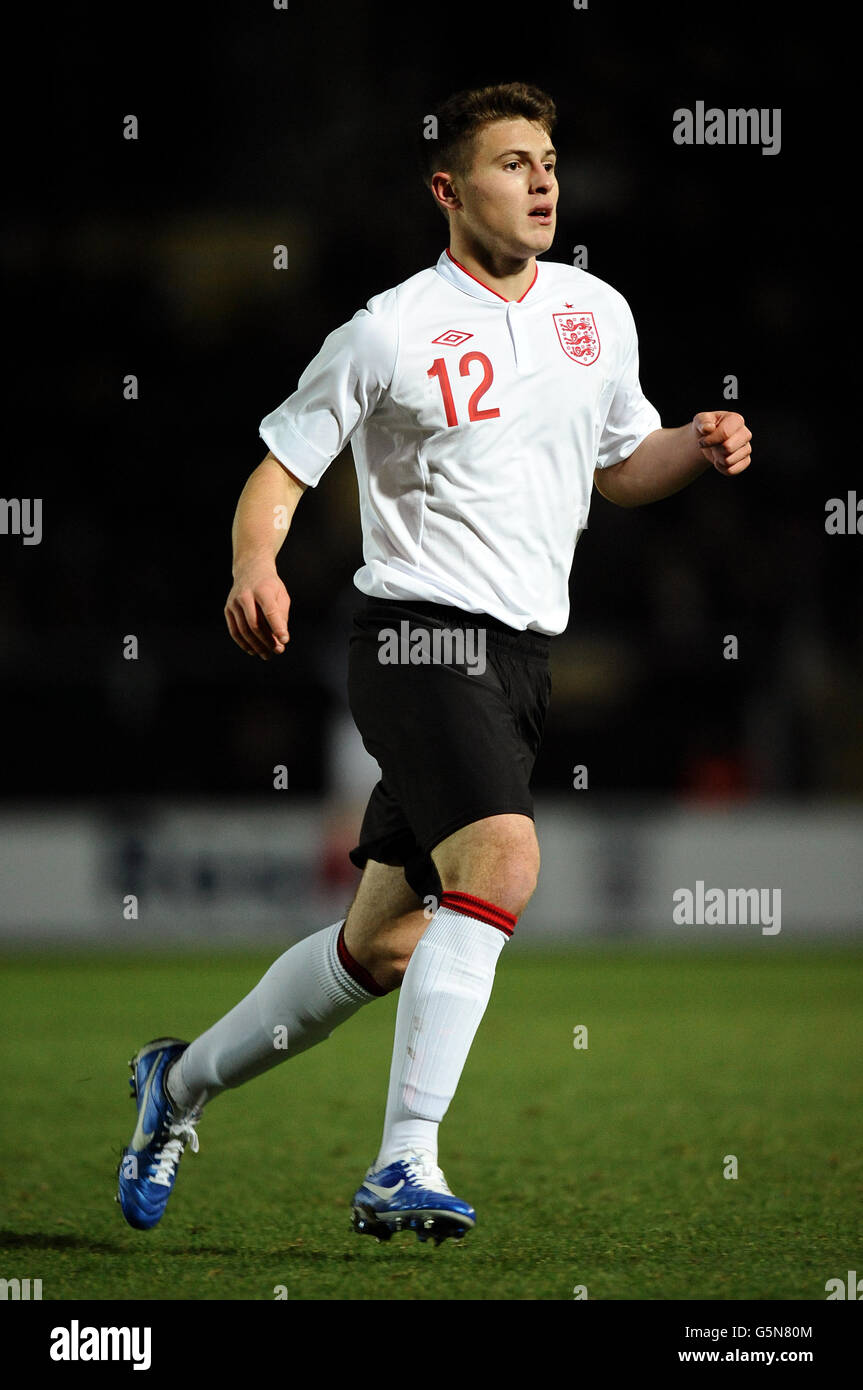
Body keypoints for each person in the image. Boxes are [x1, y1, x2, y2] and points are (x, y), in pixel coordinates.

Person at [117, 81, 752, 1245]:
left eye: (549, 158)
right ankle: (403, 1160)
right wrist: (254, 563)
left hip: (519, 662)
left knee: (380, 946)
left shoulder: (594, 313)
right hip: (414, 637)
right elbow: (279, 467)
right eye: (513, 163)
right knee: (503, 857)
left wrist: (692, 447)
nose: (543, 180)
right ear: (447, 189)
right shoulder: (388, 327)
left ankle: (177, 1084)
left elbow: (619, 464)